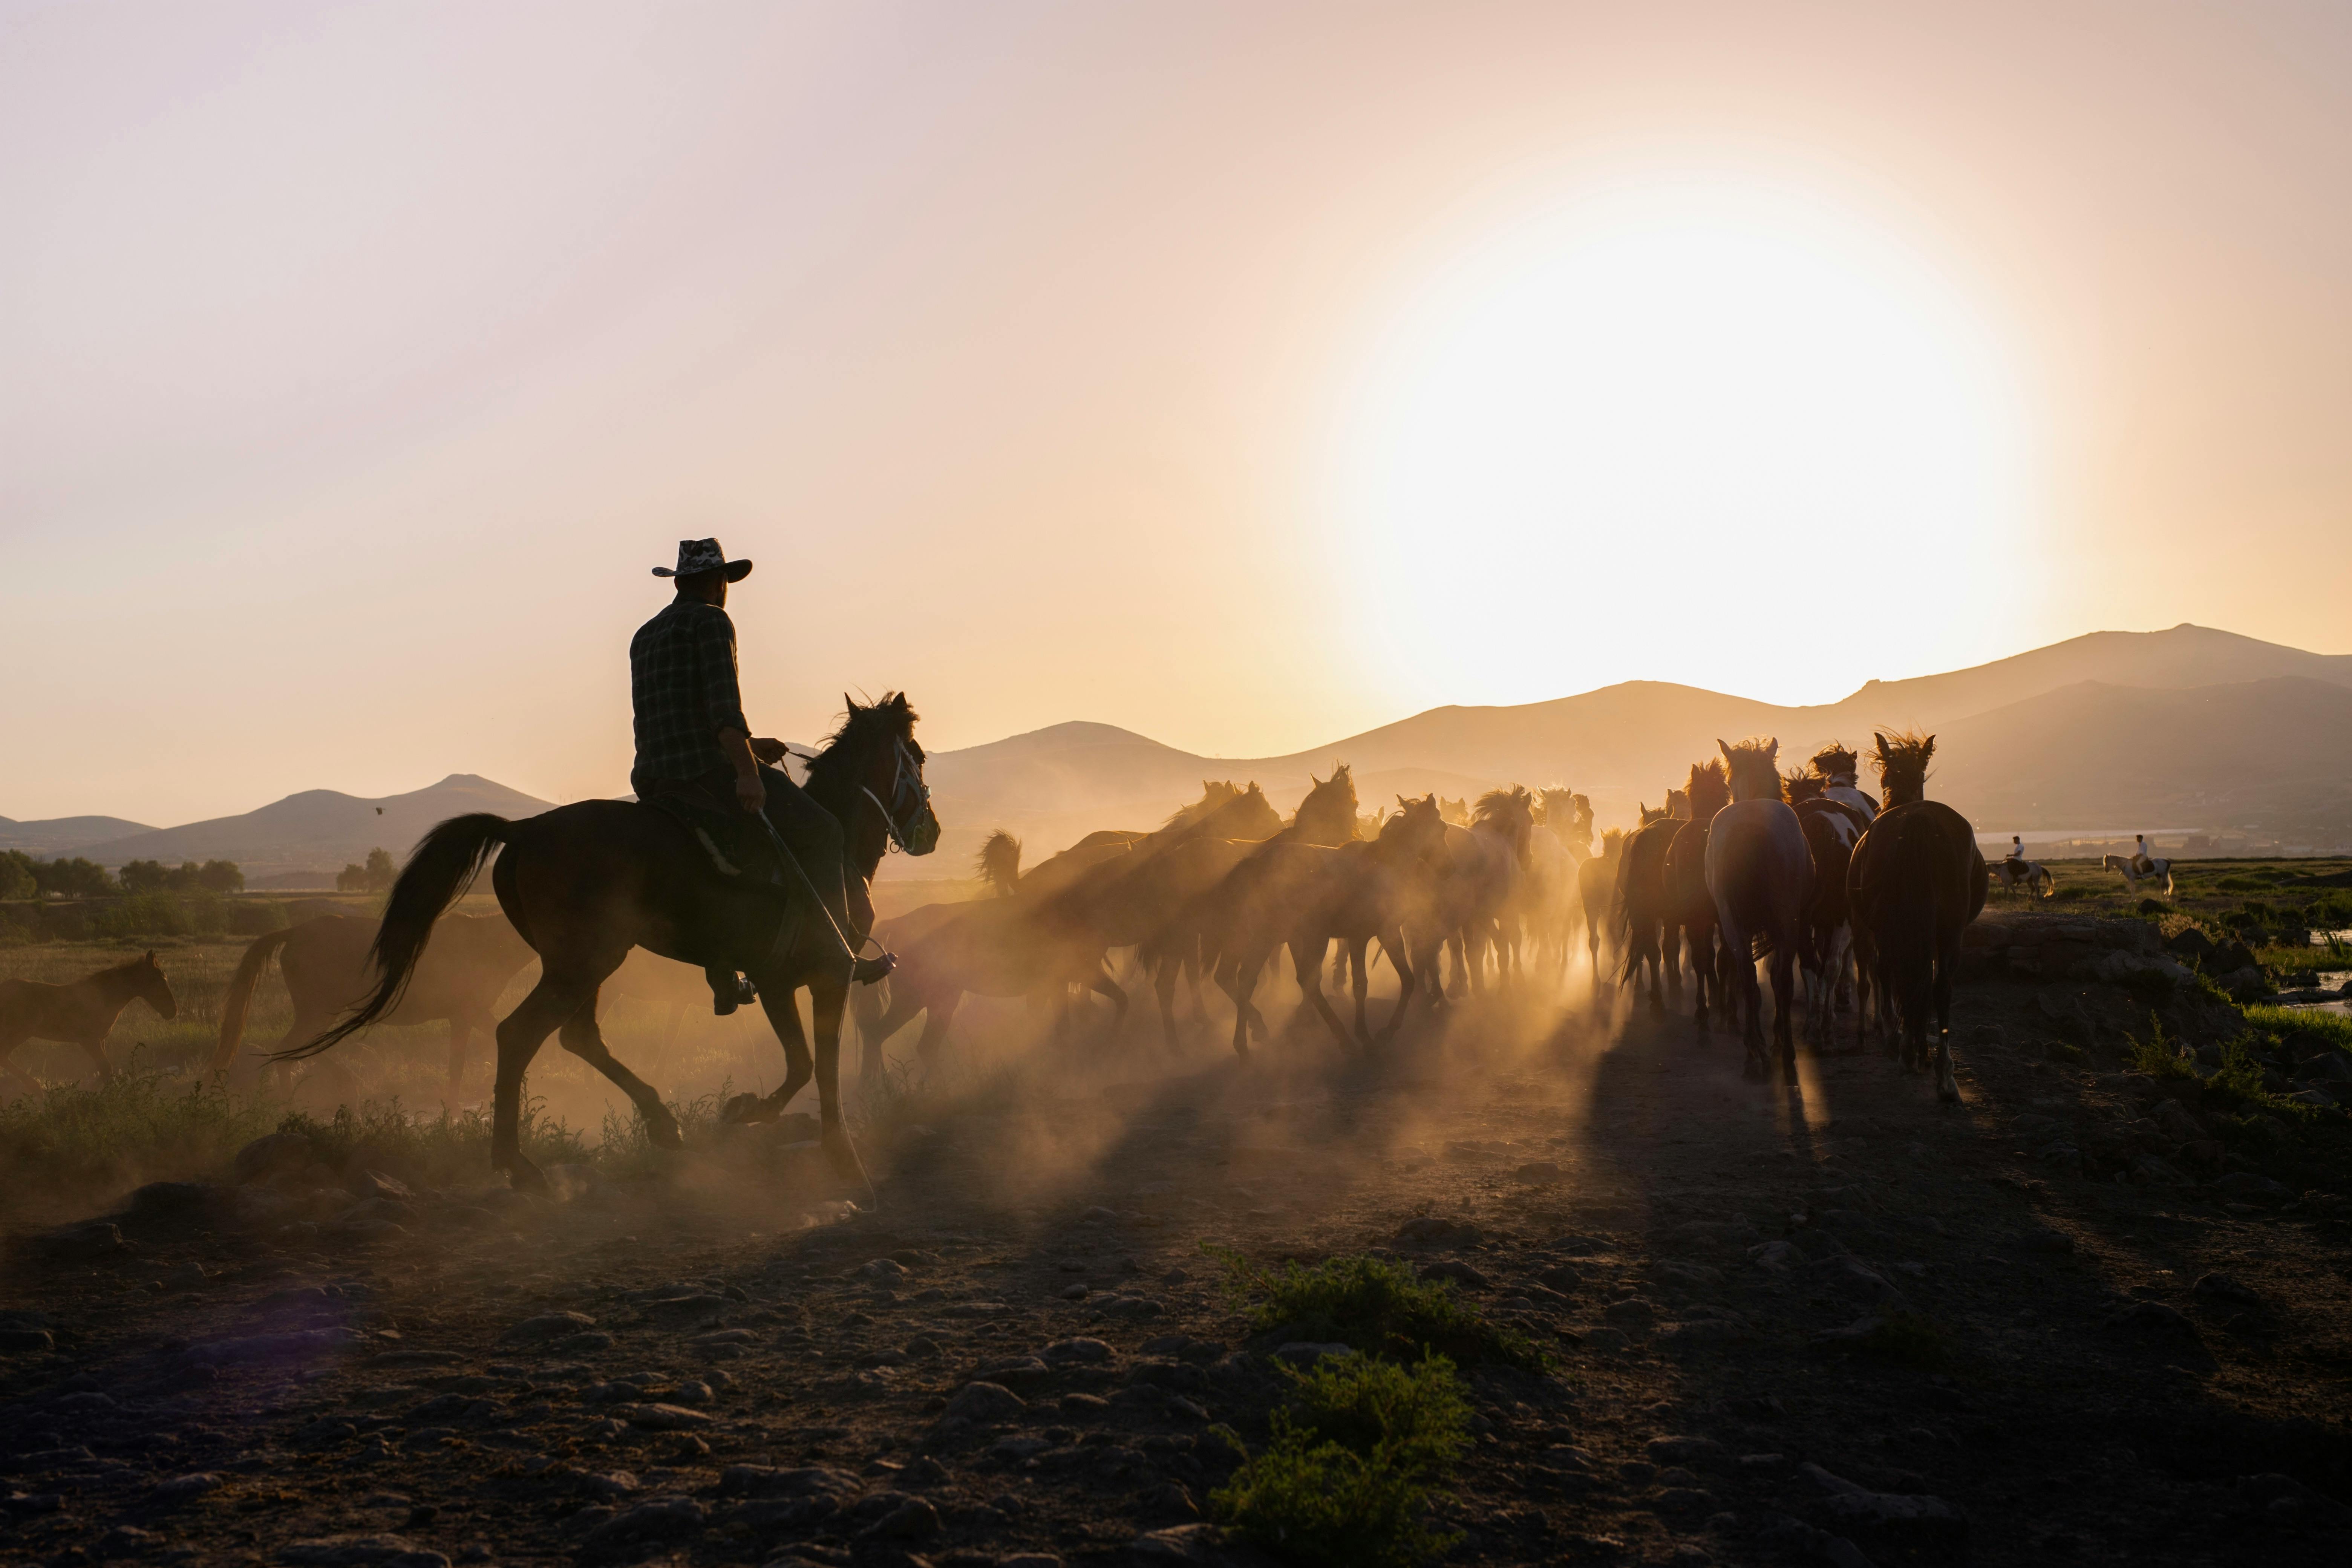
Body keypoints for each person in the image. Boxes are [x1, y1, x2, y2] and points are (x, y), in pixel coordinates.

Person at [629, 538, 891, 1013]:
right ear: (718, 582)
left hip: (654, 780)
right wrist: (747, 771)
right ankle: (837, 953)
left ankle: (725, 972)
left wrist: (751, 747)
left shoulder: (644, 635)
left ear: (680, 581)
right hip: (707, 773)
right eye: (726, 581)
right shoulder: (713, 621)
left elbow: (679, 718)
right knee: (824, 831)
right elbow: (724, 712)